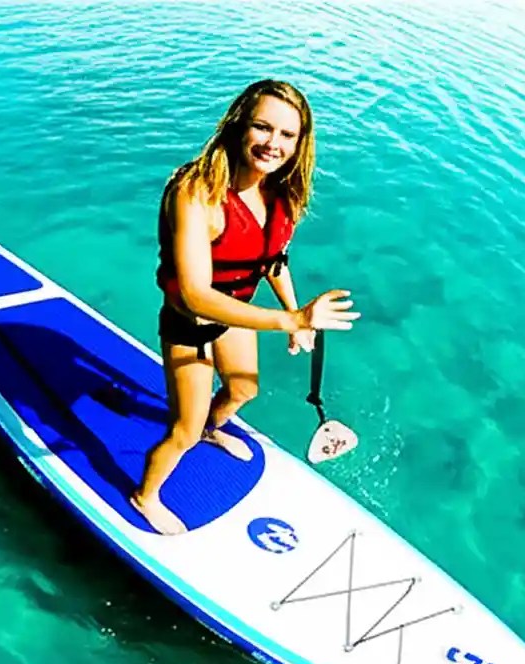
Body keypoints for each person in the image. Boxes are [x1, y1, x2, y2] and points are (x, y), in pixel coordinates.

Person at [130, 79, 361, 535]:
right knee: (182, 429)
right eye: (262, 127)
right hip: (189, 325)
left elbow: (270, 261)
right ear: (239, 125)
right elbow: (196, 293)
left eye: (287, 135)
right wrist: (289, 319)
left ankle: (213, 430)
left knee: (242, 390)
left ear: (300, 143)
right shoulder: (197, 194)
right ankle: (145, 497)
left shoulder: (280, 195)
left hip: (235, 313)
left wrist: (296, 319)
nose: (273, 144)